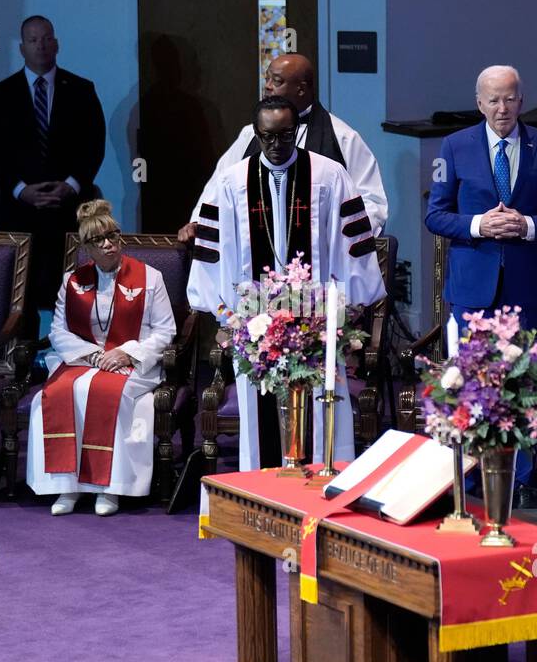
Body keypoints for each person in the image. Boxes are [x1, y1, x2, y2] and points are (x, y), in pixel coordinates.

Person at [187, 95, 387, 471]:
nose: (277, 146)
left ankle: (320, 487)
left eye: (285, 136)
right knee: (260, 417)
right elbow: (214, 252)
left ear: (298, 131)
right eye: (268, 137)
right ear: (256, 134)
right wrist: (224, 312)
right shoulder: (231, 182)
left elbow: (352, 244)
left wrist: (347, 305)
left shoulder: (330, 175)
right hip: (255, 320)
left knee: (321, 412)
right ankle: (266, 491)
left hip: (315, 318)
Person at [425, 65, 537, 502]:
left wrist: (527, 225)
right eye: (493, 99)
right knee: (474, 380)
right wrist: (479, 225)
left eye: (509, 98)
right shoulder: (454, 147)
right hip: (473, 288)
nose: (502, 107)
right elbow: (435, 215)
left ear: (521, 101)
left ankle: (522, 477)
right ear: (479, 103)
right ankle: (470, 475)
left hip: (527, 288)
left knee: (521, 382)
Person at [25, 200, 176, 516]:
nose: (108, 245)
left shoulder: (151, 278)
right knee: (54, 395)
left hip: (133, 362)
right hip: (85, 361)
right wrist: (94, 356)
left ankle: (108, 489)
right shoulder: (72, 282)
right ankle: (67, 486)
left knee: (109, 394)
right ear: (86, 248)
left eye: (113, 236)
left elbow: (164, 332)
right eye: (98, 241)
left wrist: (125, 352)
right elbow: (58, 331)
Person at [0, 15, 106, 336]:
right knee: (20, 295)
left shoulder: (81, 89)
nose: (41, 45)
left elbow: (93, 146)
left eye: (47, 38)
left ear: (57, 44)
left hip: (69, 209)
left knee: (71, 290)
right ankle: (21, 363)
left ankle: (72, 357)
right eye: (33, 40)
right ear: (22, 48)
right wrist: (22, 189)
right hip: (19, 211)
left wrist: (71, 186)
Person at [178, 53, 387, 242]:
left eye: (276, 81)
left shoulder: (343, 138)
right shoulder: (250, 134)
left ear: (301, 88)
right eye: (267, 78)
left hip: (320, 254)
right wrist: (200, 223)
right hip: (255, 247)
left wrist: (336, 236)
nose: (268, 86)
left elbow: (372, 202)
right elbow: (219, 185)